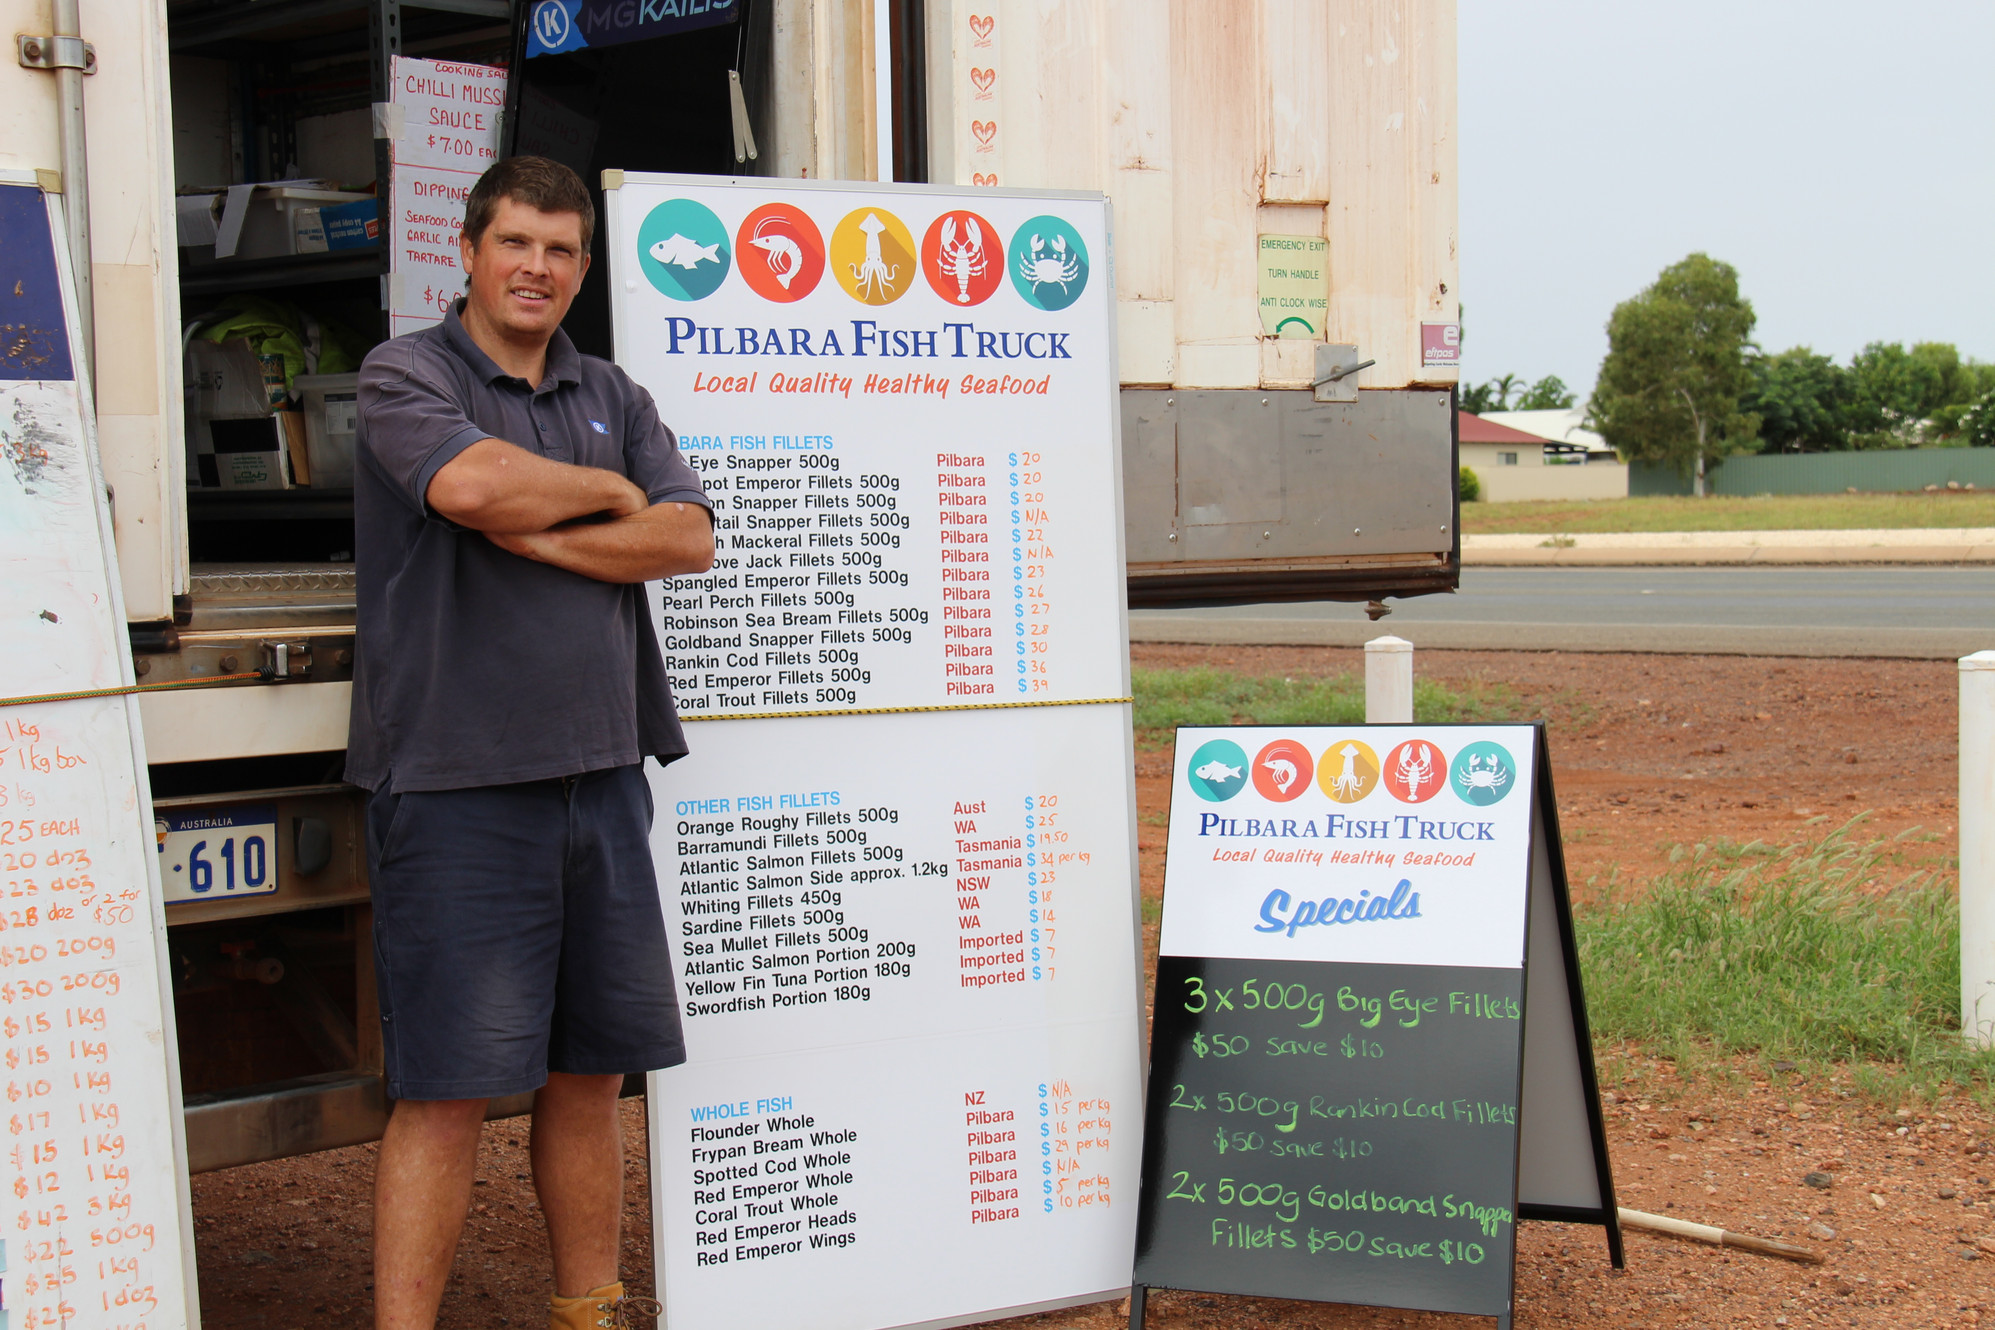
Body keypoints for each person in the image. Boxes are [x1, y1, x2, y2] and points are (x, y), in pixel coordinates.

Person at [349, 155, 713, 1330]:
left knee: (592, 1074)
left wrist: (553, 528)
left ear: (583, 269)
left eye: (560, 251)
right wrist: (607, 498)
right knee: (448, 1089)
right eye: (516, 243)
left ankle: (587, 1312)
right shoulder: (406, 372)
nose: (536, 268)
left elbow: (686, 540)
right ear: (467, 249)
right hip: (455, 782)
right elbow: (468, 489)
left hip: (603, 777)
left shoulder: (612, 389)